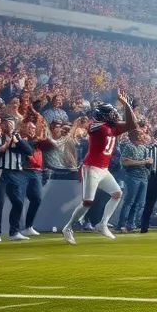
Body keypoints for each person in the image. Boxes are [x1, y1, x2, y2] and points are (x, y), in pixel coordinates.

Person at [61, 91, 136, 244]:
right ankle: (68, 227)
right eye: (111, 114)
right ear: (102, 116)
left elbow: (133, 124)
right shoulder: (97, 127)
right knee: (88, 202)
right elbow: (93, 127)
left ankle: (102, 224)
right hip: (92, 168)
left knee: (117, 194)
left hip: (103, 169)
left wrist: (126, 104)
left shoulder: (111, 127)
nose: (114, 116)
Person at [0, 116, 33, 242]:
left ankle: (14, 231)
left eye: (11, 123)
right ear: (1, 126)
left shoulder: (18, 139)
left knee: (18, 202)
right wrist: (5, 145)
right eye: (6, 123)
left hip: (16, 174)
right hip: (0, 172)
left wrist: (17, 141)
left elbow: (29, 151)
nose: (9, 126)